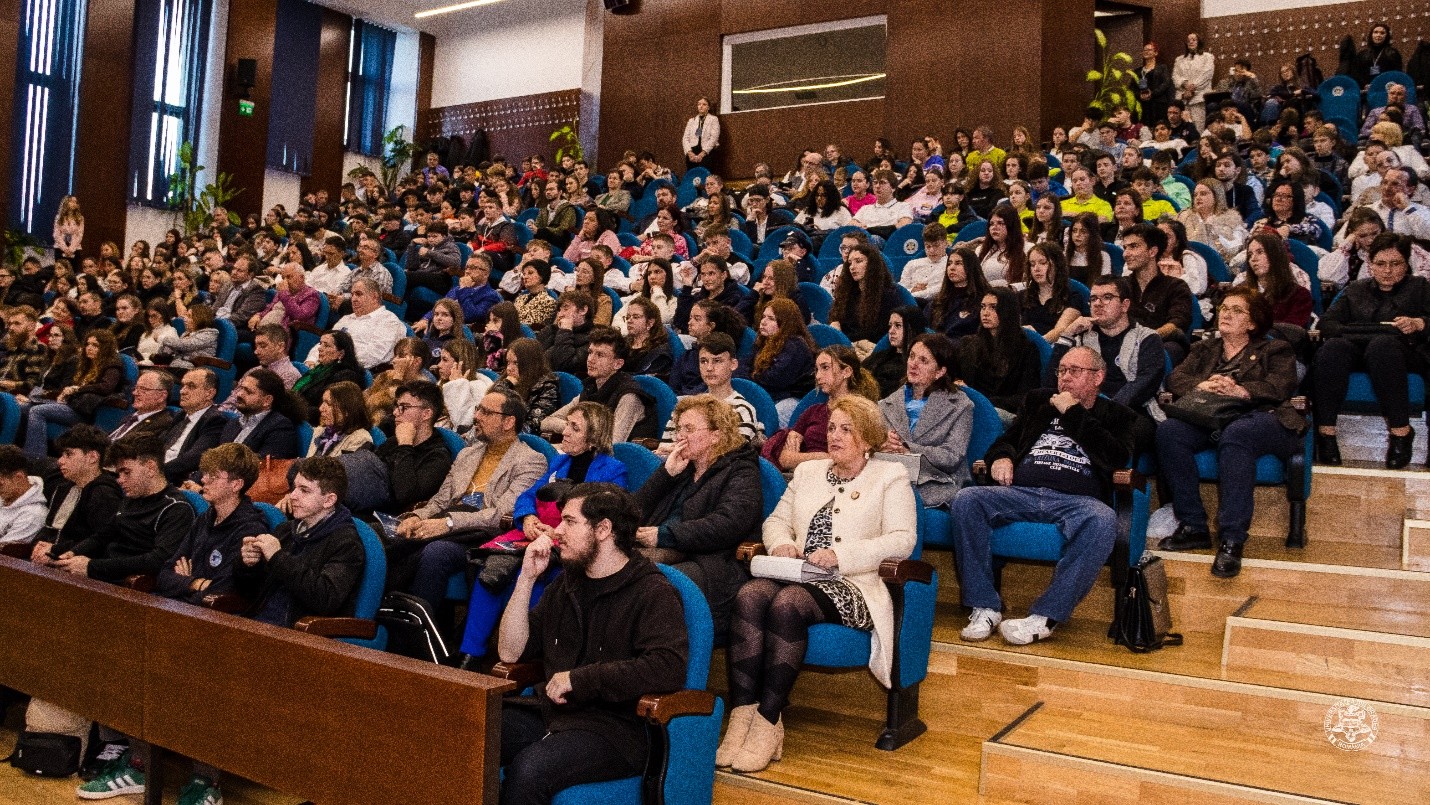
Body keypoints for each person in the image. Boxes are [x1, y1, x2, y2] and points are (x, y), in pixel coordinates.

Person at [720, 395, 915, 772]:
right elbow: (776, 521)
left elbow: (901, 539)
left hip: (856, 584)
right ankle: (741, 716)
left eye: (846, 429)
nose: (834, 436)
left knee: (788, 603)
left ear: (868, 438)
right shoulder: (808, 473)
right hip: (799, 572)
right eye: (831, 428)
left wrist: (843, 556)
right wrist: (783, 544)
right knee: (749, 595)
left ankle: (767, 721)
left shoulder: (890, 476)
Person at [495, 482, 687, 802]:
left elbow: (667, 667)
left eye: (569, 522)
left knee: (529, 770)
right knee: (468, 731)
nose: (556, 532)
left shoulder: (653, 592)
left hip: (613, 730)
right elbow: (510, 651)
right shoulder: (566, 583)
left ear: (603, 529)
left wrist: (581, 679)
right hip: (552, 714)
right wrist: (526, 579)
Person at [952, 346, 1137, 644]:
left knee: (1104, 520)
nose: (1064, 378)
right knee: (967, 500)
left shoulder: (1119, 415)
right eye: (1061, 371)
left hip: (1076, 502)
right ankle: (985, 606)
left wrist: (1073, 412)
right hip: (1022, 492)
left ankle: (1045, 617)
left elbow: (1115, 456)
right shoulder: (1039, 401)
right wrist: (1002, 457)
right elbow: (1007, 440)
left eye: (1074, 371)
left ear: (1098, 377)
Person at [457, 403, 629, 661]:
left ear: (593, 437)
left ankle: (524, 658)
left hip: (571, 546)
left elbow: (600, 519)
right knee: (490, 573)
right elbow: (528, 495)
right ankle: (470, 654)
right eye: (566, 424)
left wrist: (558, 532)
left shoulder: (613, 471)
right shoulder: (559, 461)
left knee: (531, 577)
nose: (565, 432)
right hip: (536, 535)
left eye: (574, 427)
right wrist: (527, 518)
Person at [1156, 286, 1303, 578]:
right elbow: (1176, 377)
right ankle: (1193, 525)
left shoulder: (1275, 349)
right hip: (1214, 416)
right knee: (1170, 431)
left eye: (1237, 311)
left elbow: (1280, 386)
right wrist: (1202, 385)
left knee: (1237, 434)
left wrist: (1242, 390)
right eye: (1224, 308)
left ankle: (1232, 538)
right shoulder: (1205, 348)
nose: (1227, 314)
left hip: (1263, 417)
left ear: (1252, 322)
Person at [393, 388, 547, 611]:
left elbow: (501, 513)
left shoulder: (531, 461)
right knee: (394, 535)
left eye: (486, 412)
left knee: (435, 553)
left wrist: (447, 524)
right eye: (478, 409)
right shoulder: (468, 454)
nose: (476, 416)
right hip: (447, 523)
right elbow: (440, 500)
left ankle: (420, 632)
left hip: (483, 535)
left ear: (508, 422)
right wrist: (417, 516)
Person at [635, 394, 761, 639]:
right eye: (679, 428)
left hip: (712, 564)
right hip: (665, 555)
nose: (680, 436)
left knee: (649, 586)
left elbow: (727, 524)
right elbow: (632, 512)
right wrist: (665, 474)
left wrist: (663, 535)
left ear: (716, 435)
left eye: (689, 429)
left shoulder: (741, 470)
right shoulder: (682, 467)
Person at [1313, 234, 1430, 468]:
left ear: (1406, 265)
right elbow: (1327, 323)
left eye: (1395, 264)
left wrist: (1418, 323)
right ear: (1370, 265)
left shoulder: (1419, 287)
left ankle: (1401, 433)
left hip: (1406, 352)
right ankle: (1326, 435)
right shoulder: (1357, 289)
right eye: (1380, 264)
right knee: (1333, 348)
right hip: (1359, 349)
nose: (1387, 271)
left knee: (1382, 346)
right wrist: (1350, 330)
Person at [49, 437, 197, 584]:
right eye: (119, 473)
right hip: (104, 575)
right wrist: (69, 552)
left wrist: (91, 567)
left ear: (150, 468)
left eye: (126, 472)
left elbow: (157, 561)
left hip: (132, 586)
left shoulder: (176, 508)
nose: (120, 480)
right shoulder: (131, 498)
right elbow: (103, 536)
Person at [878, 333, 973, 507]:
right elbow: (867, 448)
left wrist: (908, 448)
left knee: (897, 503)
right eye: (912, 356)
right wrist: (880, 445)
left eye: (923, 360)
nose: (913, 364)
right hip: (889, 479)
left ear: (940, 372)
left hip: (937, 483)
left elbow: (951, 457)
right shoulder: (885, 404)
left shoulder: (961, 406)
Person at [764, 345, 880, 470]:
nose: (818, 376)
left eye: (825, 368)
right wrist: (822, 457)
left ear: (846, 372)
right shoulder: (813, 411)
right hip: (807, 476)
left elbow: (860, 458)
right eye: (817, 369)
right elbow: (785, 459)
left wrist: (804, 458)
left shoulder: (865, 413)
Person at [541, 326, 657, 443]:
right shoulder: (590, 387)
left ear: (618, 364)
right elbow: (547, 422)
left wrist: (580, 429)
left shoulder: (629, 396)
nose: (590, 359)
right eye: (590, 352)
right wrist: (575, 427)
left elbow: (613, 442)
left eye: (600, 355)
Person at [23, 329, 126, 458]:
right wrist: (66, 393)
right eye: (88, 344)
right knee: (25, 407)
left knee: (37, 411)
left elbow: (106, 387)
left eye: (95, 345)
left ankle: (35, 458)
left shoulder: (113, 364)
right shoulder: (86, 363)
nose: (89, 348)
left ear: (105, 348)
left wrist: (77, 389)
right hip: (72, 404)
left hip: (84, 411)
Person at [958, 288, 1042, 417]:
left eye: (993, 308)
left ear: (1007, 311)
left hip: (1001, 412)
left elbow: (1025, 396)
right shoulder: (968, 344)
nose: (985, 313)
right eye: (983, 307)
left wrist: (982, 401)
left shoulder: (1026, 349)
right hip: (967, 408)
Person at [1123, 222, 1194, 363]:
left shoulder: (1176, 286)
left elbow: (1177, 323)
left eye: (1133, 246)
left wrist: (1146, 339)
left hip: (1160, 344)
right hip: (1123, 344)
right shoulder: (1120, 285)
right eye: (1125, 248)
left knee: (1168, 350)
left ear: (1152, 251)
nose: (1126, 254)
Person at [306, 279, 408, 370]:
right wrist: (311, 361)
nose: (353, 299)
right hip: (329, 367)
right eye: (352, 294)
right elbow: (324, 342)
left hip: (355, 372)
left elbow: (374, 356)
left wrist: (336, 361)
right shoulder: (346, 319)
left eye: (359, 294)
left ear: (374, 297)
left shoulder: (388, 321)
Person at [748, 299, 815, 425]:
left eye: (771, 319)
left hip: (791, 398)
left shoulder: (796, 346)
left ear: (785, 323)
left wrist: (753, 375)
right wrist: (753, 375)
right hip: (770, 394)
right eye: (763, 317)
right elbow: (745, 365)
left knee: (769, 421)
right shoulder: (763, 341)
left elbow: (775, 379)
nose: (763, 322)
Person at [160, 368, 228, 483]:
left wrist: (157, 472)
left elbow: (194, 458)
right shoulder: (179, 416)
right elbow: (160, 444)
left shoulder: (215, 420)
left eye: (191, 386)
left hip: (177, 479)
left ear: (209, 393)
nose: (182, 391)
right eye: (183, 385)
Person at [219, 369, 304, 459]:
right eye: (241, 388)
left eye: (248, 391)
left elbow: (265, 466)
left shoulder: (280, 427)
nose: (239, 394)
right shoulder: (233, 423)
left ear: (267, 400)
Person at [829, 243, 900, 350]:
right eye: (849, 263)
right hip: (847, 346)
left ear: (872, 264)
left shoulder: (888, 295)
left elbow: (879, 333)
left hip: (873, 348)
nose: (852, 267)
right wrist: (834, 325)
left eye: (858, 261)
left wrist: (842, 336)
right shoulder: (847, 294)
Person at [1237, 233, 1313, 328]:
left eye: (1260, 252)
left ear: (1275, 255)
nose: (1253, 259)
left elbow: (1291, 332)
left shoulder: (1299, 295)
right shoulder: (1240, 291)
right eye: (1250, 254)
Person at [493, 337, 562, 434]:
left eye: (516, 363)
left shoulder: (547, 387)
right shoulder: (509, 382)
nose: (509, 368)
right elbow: (490, 405)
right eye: (508, 362)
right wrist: (505, 385)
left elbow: (532, 425)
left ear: (530, 364)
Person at [294, 330, 366, 423]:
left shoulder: (347, 376)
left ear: (340, 354)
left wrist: (294, 410)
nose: (320, 348)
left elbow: (331, 409)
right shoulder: (317, 370)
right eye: (320, 344)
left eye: (326, 345)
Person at [928, 247, 992, 341]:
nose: (952, 268)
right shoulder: (938, 302)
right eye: (949, 264)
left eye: (958, 263)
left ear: (970, 267)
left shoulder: (984, 300)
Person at [1021, 243, 1083, 341]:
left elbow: (1061, 331)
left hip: (1054, 349)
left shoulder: (1073, 297)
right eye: (1032, 264)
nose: (1036, 269)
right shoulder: (1021, 296)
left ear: (1057, 265)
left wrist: (1037, 342)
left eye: (1043, 263)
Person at [436, 339, 492, 435]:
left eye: (445, 360)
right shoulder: (441, 383)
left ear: (460, 364)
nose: (439, 365)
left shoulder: (479, 388)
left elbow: (462, 424)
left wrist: (457, 386)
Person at [535, 290, 595, 378]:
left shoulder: (594, 338)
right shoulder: (551, 330)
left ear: (583, 310)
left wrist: (566, 331)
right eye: (559, 310)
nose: (560, 315)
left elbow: (564, 366)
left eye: (566, 309)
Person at [0, 445, 46, 547]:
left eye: (0, 484)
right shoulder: (5, 494)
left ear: (18, 477)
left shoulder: (33, 515)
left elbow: (5, 552)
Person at [619, 297, 673, 380]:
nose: (629, 320)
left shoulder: (660, 353)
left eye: (636, 317)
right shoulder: (622, 343)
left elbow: (647, 382)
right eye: (628, 317)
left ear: (650, 322)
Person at [1172, 32, 1215, 129]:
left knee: (1197, 127)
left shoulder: (1207, 57)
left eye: (1194, 40)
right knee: (1183, 127)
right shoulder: (1179, 59)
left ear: (1199, 42)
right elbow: (1175, 76)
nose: (1190, 42)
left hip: (1198, 97)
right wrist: (1184, 84)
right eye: (1188, 40)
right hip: (1183, 98)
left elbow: (1206, 75)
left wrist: (1192, 88)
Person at [900, 223, 951, 301]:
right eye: (928, 246)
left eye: (936, 245)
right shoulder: (912, 264)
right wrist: (912, 290)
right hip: (909, 304)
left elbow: (938, 291)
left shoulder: (950, 265)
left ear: (946, 244)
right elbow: (901, 288)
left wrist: (909, 295)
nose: (931, 250)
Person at [1350, 22, 1403, 88]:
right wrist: (1364, 85)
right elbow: (1356, 74)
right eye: (1375, 32)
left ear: (1387, 36)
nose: (1378, 35)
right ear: (1371, 35)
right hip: (1366, 92)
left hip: (1386, 90)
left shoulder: (1393, 53)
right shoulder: (1362, 54)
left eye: (1382, 33)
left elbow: (1397, 74)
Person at [682, 96, 720, 167]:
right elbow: (685, 138)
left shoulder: (713, 119)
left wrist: (703, 153)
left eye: (704, 104)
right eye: (699, 104)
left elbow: (714, 138)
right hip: (693, 151)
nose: (701, 106)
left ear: (708, 108)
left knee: (705, 171)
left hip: (707, 151)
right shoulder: (691, 121)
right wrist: (689, 153)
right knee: (692, 173)